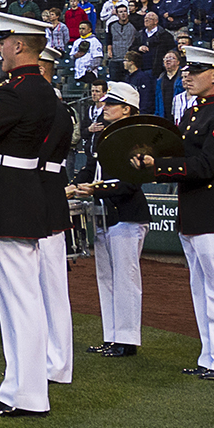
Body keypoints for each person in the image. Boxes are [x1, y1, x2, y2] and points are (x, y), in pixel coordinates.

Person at [130, 45, 214, 379]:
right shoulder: (196, 111)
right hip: (197, 206)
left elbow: (207, 164)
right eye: (188, 70)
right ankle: (211, 357)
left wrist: (161, 167)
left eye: (195, 71)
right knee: (201, 287)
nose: (188, 75)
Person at [0, 11, 62, 417]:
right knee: (21, 302)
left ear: (19, 45)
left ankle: (24, 394)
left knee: (18, 304)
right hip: (19, 196)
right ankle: (21, 390)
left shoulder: (14, 93)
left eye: (3, 41)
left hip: (6, 199)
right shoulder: (39, 90)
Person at [70, 82, 149, 357]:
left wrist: (96, 189)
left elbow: (131, 183)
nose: (105, 107)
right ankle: (112, 335)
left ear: (127, 109)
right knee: (106, 276)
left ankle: (127, 340)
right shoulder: (102, 136)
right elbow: (91, 169)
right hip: (104, 216)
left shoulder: (136, 139)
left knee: (126, 279)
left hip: (127, 215)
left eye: (112, 104)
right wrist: (72, 185)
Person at [32, 47, 75, 389]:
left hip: (46, 197)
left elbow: (38, 153)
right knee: (35, 288)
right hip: (36, 198)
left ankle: (58, 363)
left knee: (53, 289)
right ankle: (42, 358)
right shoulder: (45, 106)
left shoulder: (57, 110)